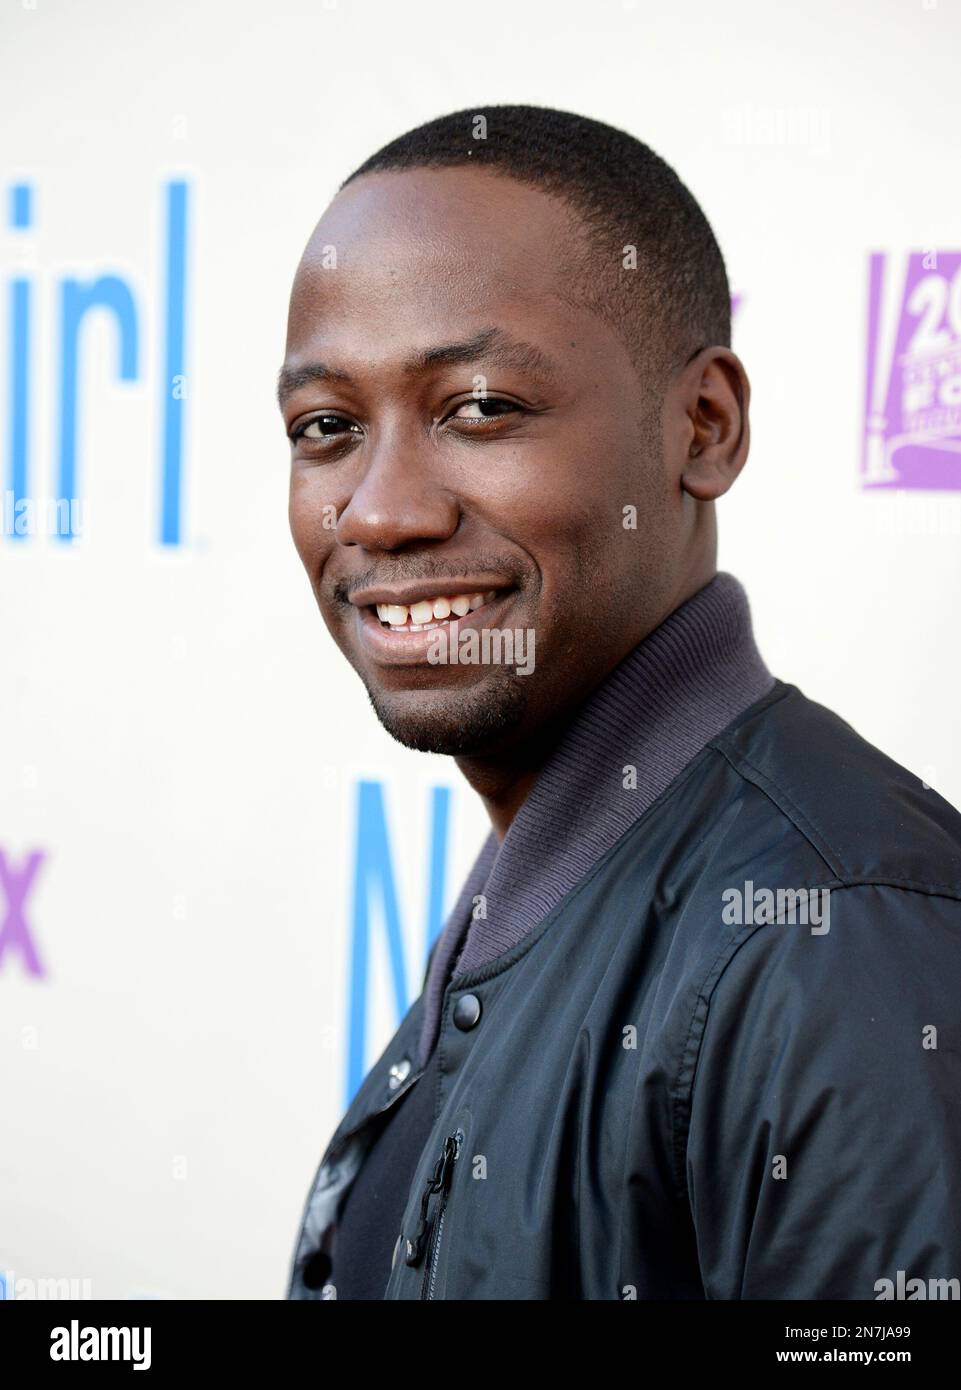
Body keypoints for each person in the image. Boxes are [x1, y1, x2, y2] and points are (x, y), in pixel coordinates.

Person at [278, 105, 961, 1300]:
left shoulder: (835, 937)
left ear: (703, 428)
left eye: (479, 407)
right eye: (327, 427)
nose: (380, 511)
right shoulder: (558, 869)